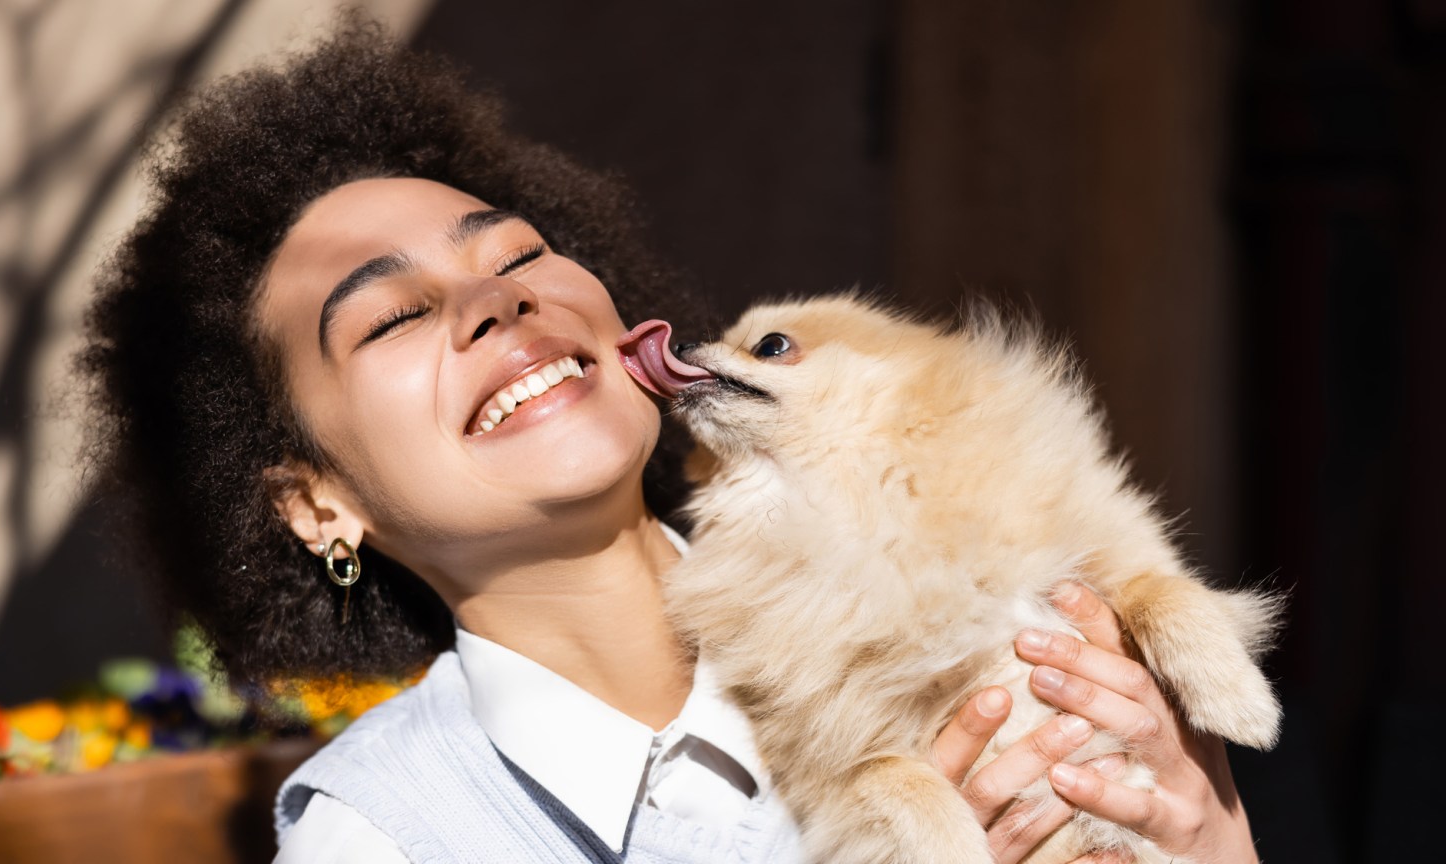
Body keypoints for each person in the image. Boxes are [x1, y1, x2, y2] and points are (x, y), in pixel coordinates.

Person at [83, 19, 1263, 864]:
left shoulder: (950, 585)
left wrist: (1212, 844)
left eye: (518, 256)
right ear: (314, 503)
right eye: (393, 317)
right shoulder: (386, 832)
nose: (495, 303)